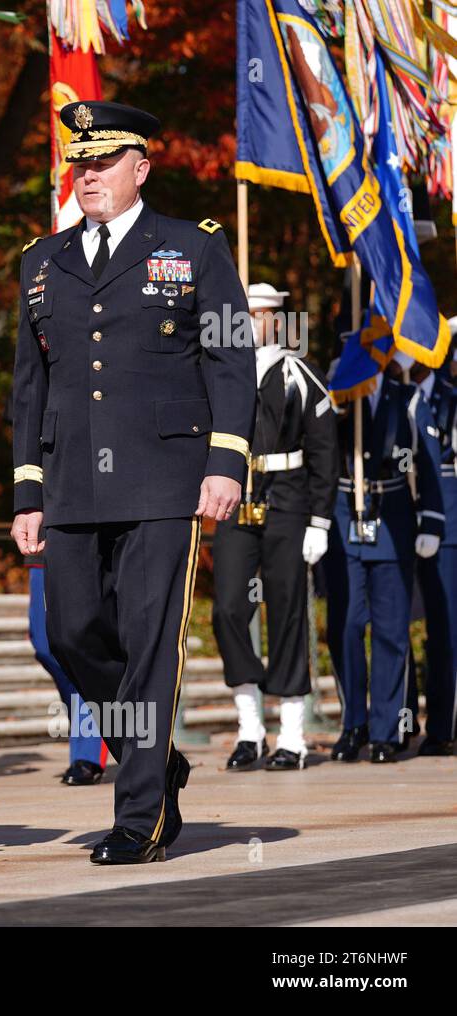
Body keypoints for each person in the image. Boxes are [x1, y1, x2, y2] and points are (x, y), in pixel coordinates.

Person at [10, 101, 256, 864]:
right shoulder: (40, 260)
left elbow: (230, 358)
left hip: (163, 479)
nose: (87, 175)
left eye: (103, 162)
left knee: (149, 647)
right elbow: (29, 386)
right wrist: (27, 491)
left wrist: (225, 463)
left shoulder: (192, 248)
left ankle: (140, 816)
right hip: (73, 483)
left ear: (140, 168)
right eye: (78, 164)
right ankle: (160, 759)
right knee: (71, 634)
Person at [211, 283, 338, 771]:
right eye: (245, 313)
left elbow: (325, 452)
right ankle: (249, 728)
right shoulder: (223, 371)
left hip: (287, 500)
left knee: (286, 610)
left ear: (278, 320)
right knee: (227, 608)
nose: (253, 322)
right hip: (236, 499)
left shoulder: (299, 372)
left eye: (261, 314)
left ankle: (291, 734)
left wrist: (320, 520)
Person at [323, 357, 443, 763]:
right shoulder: (339, 395)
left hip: (392, 518)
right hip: (345, 517)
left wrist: (431, 520)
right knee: (346, 626)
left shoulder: (406, 398)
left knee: (391, 632)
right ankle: (352, 722)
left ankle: (386, 730)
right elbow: (318, 449)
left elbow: (427, 462)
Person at [412, 356, 457, 755]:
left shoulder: (448, 399)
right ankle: (396, 724)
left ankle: (443, 727)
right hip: (397, 520)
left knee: (445, 633)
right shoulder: (391, 394)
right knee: (395, 627)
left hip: (447, 527)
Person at [28, 564, 108, 784]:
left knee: (82, 644)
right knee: (46, 648)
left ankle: (88, 754)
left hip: (84, 540)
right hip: (41, 548)